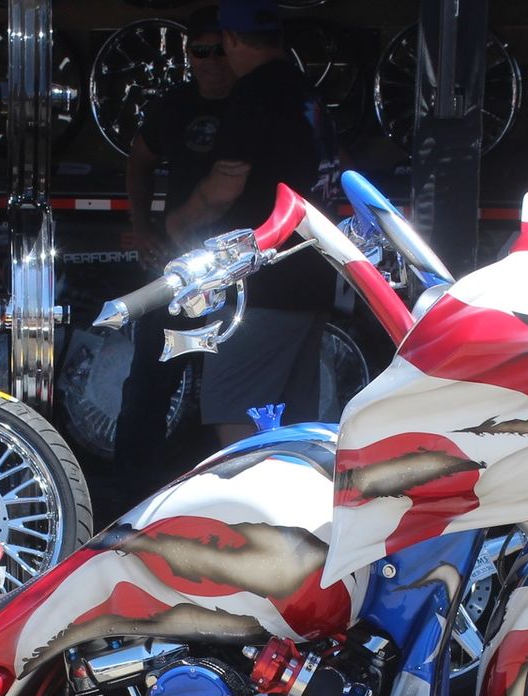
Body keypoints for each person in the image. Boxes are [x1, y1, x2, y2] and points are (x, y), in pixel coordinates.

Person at [164, 0, 339, 442]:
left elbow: (227, 183)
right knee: (292, 417)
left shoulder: (255, 91)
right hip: (312, 271)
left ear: (233, 39)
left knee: (235, 409)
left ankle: (245, 510)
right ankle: (292, 510)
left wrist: (179, 224)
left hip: (262, 281)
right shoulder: (306, 92)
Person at [114, 6, 234, 496]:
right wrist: (141, 226)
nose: (207, 61)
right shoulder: (173, 105)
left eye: (217, 50)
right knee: (149, 383)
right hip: (181, 271)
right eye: (197, 51)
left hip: (242, 269)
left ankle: (216, 497)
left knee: (226, 395)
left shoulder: (255, 104)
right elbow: (139, 161)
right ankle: (128, 499)